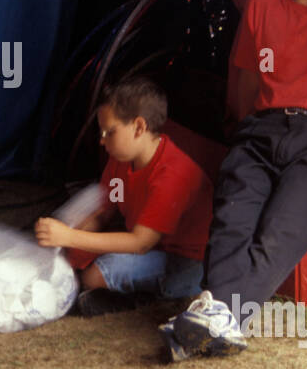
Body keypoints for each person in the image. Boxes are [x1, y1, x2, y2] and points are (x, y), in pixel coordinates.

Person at [163, 0, 307, 359]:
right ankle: (218, 320)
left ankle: (212, 313)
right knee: (233, 213)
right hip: (263, 128)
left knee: (280, 230)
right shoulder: (263, 2)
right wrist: (241, 123)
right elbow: (246, 74)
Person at [35, 77, 211, 316]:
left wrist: (70, 236)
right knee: (77, 259)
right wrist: (73, 241)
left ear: (139, 127)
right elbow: (106, 210)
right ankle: (110, 292)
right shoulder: (121, 160)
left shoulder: (172, 175)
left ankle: (141, 299)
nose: (101, 140)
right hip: (152, 247)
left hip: (185, 263)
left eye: (109, 132)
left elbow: (140, 243)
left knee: (96, 274)